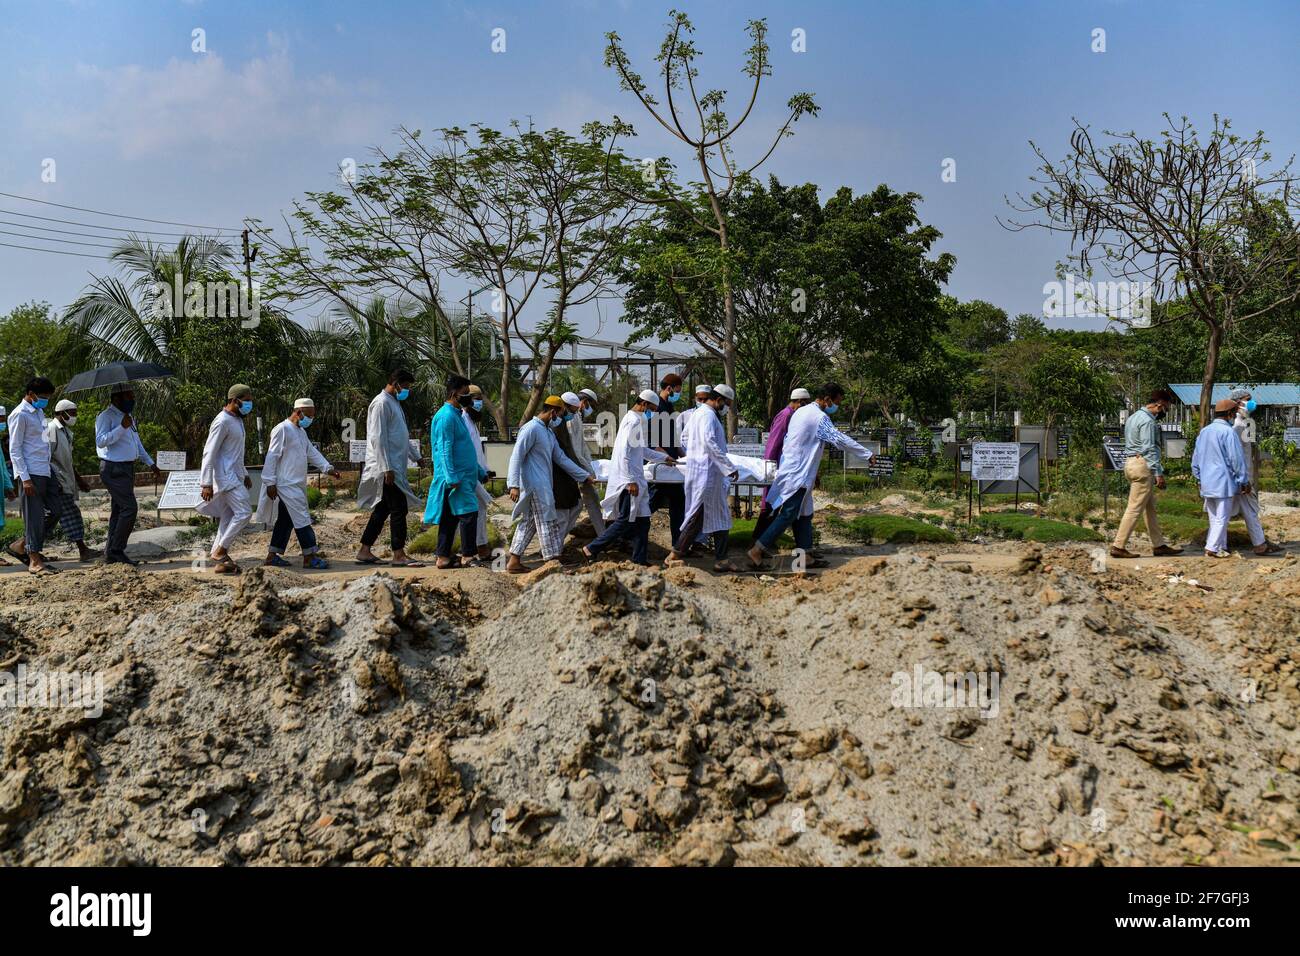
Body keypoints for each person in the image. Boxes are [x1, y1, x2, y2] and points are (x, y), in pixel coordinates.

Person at [747, 383, 872, 570]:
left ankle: (805, 555)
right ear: (828, 399)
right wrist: (867, 454)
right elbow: (839, 439)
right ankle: (757, 549)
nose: (836, 407)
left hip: (797, 471)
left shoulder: (801, 412)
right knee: (789, 513)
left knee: (804, 514)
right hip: (798, 474)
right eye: (836, 402)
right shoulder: (819, 418)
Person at [583, 390, 677, 567]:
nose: (653, 414)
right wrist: (630, 481)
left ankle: (639, 559)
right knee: (625, 520)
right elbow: (625, 454)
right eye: (652, 409)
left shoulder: (637, 420)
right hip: (630, 481)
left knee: (643, 521)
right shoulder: (633, 421)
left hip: (636, 478)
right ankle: (592, 548)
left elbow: (642, 451)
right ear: (644, 404)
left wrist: (665, 458)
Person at [505, 396, 593, 573]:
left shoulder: (547, 432)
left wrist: (584, 476)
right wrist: (513, 484)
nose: (561, 418)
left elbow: (561, 458)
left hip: (543, 485)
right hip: (535, 486)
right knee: (548, 522)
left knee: (529, 524)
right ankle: (553, 563)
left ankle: (514, 561)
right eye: (560, 414)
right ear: (553, 412)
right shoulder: (530, 429)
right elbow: (517, 455)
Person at [256, 399, 341, 569]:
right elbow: (272, 457)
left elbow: (312, 453)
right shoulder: (282, 429)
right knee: (302, 518)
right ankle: (309, 556)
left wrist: (328, 468)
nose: (311, 419)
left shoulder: (301, 433)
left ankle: (272, 556)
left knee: (286, 520)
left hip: (296, 484)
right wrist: (270, 482)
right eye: (309, 415)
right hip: (286, 484)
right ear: (299, 412)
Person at [666, 385, 740, 572]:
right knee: (697, 517)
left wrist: (693, 455)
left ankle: (722, 559)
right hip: (707, 475)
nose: (726, 409)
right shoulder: (707, 415)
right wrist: (728, 467)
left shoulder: (699, 414)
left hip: (703, 472)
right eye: (727, 405)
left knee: (720, 516)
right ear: (719, 400)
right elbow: (709, 442)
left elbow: (684, 438)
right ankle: (675, 554)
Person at [357, 369, 424, 567]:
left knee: (383, 509)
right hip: (386, 467)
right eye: (406, 386)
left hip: (394, 466)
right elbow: (378, 438)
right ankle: (398, 554)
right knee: (399, 509)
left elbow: (401, 435)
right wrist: (386, 467)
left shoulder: (394, 403)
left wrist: (416, 456)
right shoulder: (381, 403)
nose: (407, 391)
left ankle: (364, 550)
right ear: (396, 384)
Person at [1110, 388, 1183, 559]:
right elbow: (1149, 449)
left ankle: (1159, 545)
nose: (1166, 410)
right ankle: (1118, 546)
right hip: (1143, 465)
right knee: (1134, 508)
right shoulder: (1148, 422)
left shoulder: (1134, 417)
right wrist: (1158, 473)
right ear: (1160, 404)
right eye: (1167, 407)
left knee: (1149, 508)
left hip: (1131, 463)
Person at [1192, 398, 1270, 558]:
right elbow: (1236, 459)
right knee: (1222, 517)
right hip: (1224, 482)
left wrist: (1199, 478)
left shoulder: (1204, 432)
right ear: (1229, 414)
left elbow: (1196, 458)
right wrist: (1243, 480)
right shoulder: (1228, 432)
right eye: (1233, 413)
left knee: (1214, 518)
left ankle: (1220, 547)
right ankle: (1211, 548)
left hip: (1207, 482)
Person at [424, 375, 486, 569]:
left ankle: (443, 557)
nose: (468, 397)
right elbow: (444, 449)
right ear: (454, 393)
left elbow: (465, 448)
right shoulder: (445, 416)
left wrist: (479, 471)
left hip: (464, 476)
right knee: (469, 513)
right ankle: (468, 555)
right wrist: (451, 476)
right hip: (456, 478)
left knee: (450, 518)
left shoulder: (457, 415)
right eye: (465, 393)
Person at [95, 382, 160, 566]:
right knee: (130, 508)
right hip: (113, 468)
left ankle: (110, 553)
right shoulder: (105, 417)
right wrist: (121, 428)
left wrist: (150, 463)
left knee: (119, 510)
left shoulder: (128, 416)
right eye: (129, 396)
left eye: (132, 396)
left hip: (126, 468)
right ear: (117, 398)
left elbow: (136, 443)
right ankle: (117, 550)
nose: (132, 399)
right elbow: (101, 441)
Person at [197, 385, 255, 574]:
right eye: (246, 400)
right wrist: (206, 483)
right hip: (224, 477)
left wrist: (244, 473)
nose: (249, 404)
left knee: (229, 516)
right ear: (233, 400)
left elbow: (235, 454)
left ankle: (220, 559)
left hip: (234, 474)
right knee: (245, 512)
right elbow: (209, 452)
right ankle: (220, 551)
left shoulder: (237, 420)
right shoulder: (222, 421)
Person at [7, 377, 57, 574]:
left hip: (45, 469)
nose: (45, 400)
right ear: (30, 394)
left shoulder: (40, 412)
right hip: (31, 472)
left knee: (56, 510)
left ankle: (22, 544)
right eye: (43, 397)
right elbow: (15, 449)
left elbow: (46, 442)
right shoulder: (19, 414)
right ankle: (34, 560)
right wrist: (25, 478)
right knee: (34, 517)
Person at [1228, 388, 1282, 555]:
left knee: (1231, 511)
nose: (1251, 402)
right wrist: (1244, 477)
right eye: (1247, 399)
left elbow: (1249, 449)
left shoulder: (1247, 422)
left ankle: (1259, 543)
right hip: (1242, 475)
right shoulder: (1237, 426)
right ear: (1238, 403)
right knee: (1239, 511)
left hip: (1244, 474)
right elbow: (1236, 454)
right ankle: (1258, 544)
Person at [752, 387, 810, 541]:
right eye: (805, 404)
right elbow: (773, 444)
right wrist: (770, 469)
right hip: (776, 468)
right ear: (799, 402)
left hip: (786, 469)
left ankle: (761, 544)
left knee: (779, 507)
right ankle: (757, 543)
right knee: (770, 507)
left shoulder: (794, 416)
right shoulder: (786, 416)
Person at [44, 399, 98, 562]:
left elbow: (68, 460)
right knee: (70, 515)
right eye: (72, 413)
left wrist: (79, 480)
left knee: (58, 516)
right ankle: (83, 549)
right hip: (57, 481)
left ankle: (30, 547)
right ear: (61, 413)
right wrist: (54, 482)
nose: (75, 416)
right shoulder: (50, 429)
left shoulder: (67, 432)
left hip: (66, 479)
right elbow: (44, 457)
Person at [456, 383, 495, 560]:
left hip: (476, 474)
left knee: (479, 511)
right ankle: (470, 550)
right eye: (477, 400)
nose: (479, 404)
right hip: (467, 475)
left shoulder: (471, 422)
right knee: (469, 514)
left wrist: (484, 471)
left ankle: (480, 547)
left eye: (480, 400)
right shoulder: (463, 420)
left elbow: (477, 452)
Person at [647, 372, 687, 545]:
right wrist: (665, 457)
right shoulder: (658, 408)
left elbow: (672, 437)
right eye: (677, 391)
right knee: (649, 504)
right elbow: (653, 440)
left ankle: (678, 544)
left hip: (670, 464)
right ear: (669, 388)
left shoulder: (668, 407)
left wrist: (683, 456)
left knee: (677, 503)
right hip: (662, 464)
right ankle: (624, 532)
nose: (678, 395)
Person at [564, 389, 605, 536]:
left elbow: (582, 448)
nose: (589, 409)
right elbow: (576, 451)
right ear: (584, 402)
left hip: (579, 468)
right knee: (579, 505)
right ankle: (559, 539)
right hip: (575, 469)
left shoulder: (577, 417)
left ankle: (602, 535)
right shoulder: (573, 419)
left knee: (589, 502)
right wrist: (588, 472)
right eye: (589, 405)